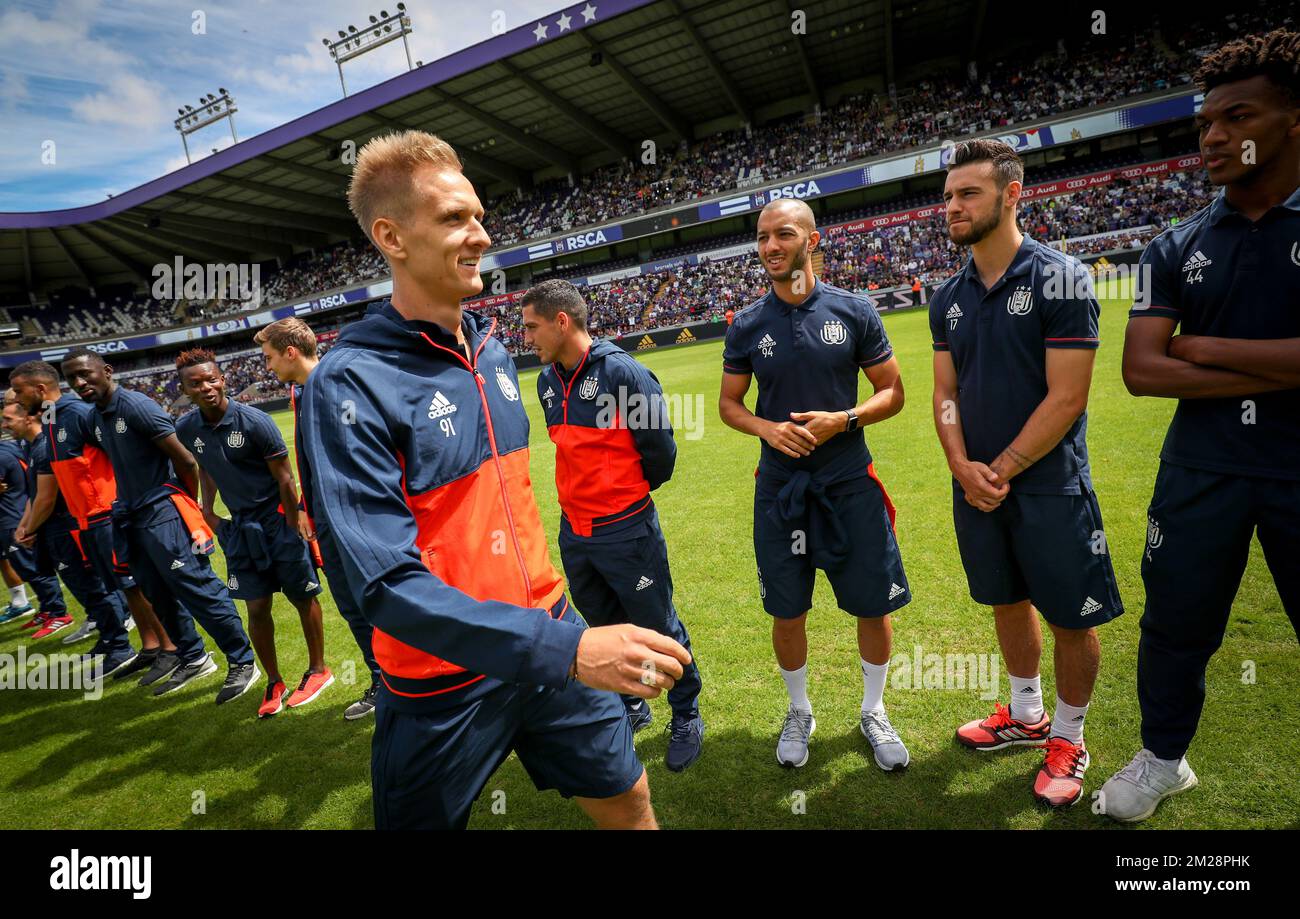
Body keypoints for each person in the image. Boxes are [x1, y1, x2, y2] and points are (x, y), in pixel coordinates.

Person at [301, 129, 690, 829]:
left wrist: (557, 639)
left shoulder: (495, 354)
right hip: (440, 681)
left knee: (631, 800)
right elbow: (382, 584)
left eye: (479, 215)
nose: (479, 233)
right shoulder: (348, 382)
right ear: (391, 236)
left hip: (549, 637)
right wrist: (568, 647)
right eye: (454, 218)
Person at [1103, 28, 1300, 822]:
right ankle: (1162, 758)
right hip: (1200, 469)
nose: (1214, 136)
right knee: (1175, 621)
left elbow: (1175, 355)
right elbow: (1144, 370)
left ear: (1292, 123)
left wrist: (1207, 346)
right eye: (1205, 124)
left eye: (1238, 117)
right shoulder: (1173, 244)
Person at [928, 139, 1122, 808]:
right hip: (976, 484)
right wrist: (960, 463)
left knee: (1071, 617)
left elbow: (1068, 396)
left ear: (1013, 194)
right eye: (948, 195)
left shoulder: (1062, 276)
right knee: (1005, 599)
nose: (950, 205)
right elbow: (944, 390)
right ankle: (1026, 713)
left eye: (967, 193)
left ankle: (1068, 737)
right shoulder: (946, 295)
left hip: (1047, 485)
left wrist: (1001, 467)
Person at [718, 197, 911, 771]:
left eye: (782, 235)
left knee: (872, 606)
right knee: (787, 608)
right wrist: (765, 429)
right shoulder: (747, 323)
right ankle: (799, 709)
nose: (770, 247)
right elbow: (729, 405)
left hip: (849, 482)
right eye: (761, 238)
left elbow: (892, 392)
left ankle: (873, 710)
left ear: (811, 239)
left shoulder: (853, 310)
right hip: (781, 490)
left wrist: (844, 419)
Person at [523, 278, 705, 772]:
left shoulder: (622, 373)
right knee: (603, 627)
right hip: (575, 535)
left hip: (627, 530)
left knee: (656, 624)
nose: (528, 338)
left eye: (533, 327)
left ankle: (686, 712)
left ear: (562, 321)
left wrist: (623, 498)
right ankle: (633, 705)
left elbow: (660, 453)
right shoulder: (546, 382)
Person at [60, 348, 258, 703]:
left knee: (199, 589)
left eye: (86, 374)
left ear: (105, 371)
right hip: (131, 517)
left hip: (162, 513)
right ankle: (194, 656)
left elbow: (185, 460)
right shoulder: (96, 417)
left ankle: (242, 661)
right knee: (158, 594)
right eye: (72, 378)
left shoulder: (134, 406)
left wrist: (177, 504)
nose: (79, 383)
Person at [175, 348, 332, 718]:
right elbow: (206, 467)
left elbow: (285, 476)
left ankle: (318, 669)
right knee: (256, 606)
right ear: (185, 390)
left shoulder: (254, 421)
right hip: (239, 530)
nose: (206, 387)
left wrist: (294, 522)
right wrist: (208, 510)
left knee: (301, 594)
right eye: (195, 383)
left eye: (211, 379)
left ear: (223, 379)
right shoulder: (187, 428)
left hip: (277, 521)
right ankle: (274, 680)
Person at [256, 317, 380, 721]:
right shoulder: (305, 389)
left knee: (378, 604)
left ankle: (412, 685)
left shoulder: (336, 383)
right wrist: (308, 508)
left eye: (270, 356)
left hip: (356, 521)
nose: (268, 366)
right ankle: (387, 685)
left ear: (291, 352)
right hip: (328, 521)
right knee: (353, 607)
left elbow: (363, 455)